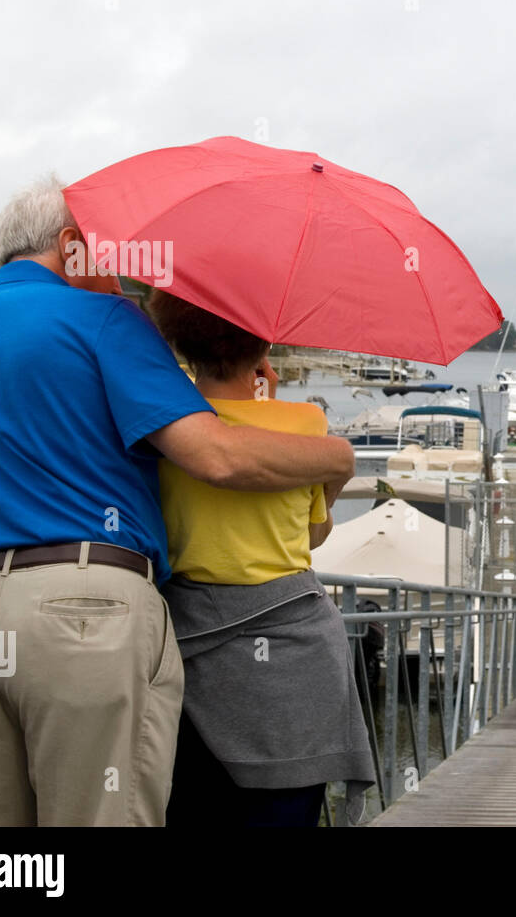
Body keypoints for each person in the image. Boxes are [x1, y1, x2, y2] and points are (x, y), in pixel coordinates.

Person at [0, 175, 356, 826]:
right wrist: (335, 458)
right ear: (69, 246)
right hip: (85, 608)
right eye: (110, 258)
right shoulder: (103, 319)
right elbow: (217, 456)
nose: (122, 278)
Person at [147, 292, 374, 827]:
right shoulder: (306, 424)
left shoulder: (166, 427)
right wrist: (267, 407)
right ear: (264, 345)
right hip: (294, 658)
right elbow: (315, 535)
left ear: (178, 342)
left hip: (187, 653)